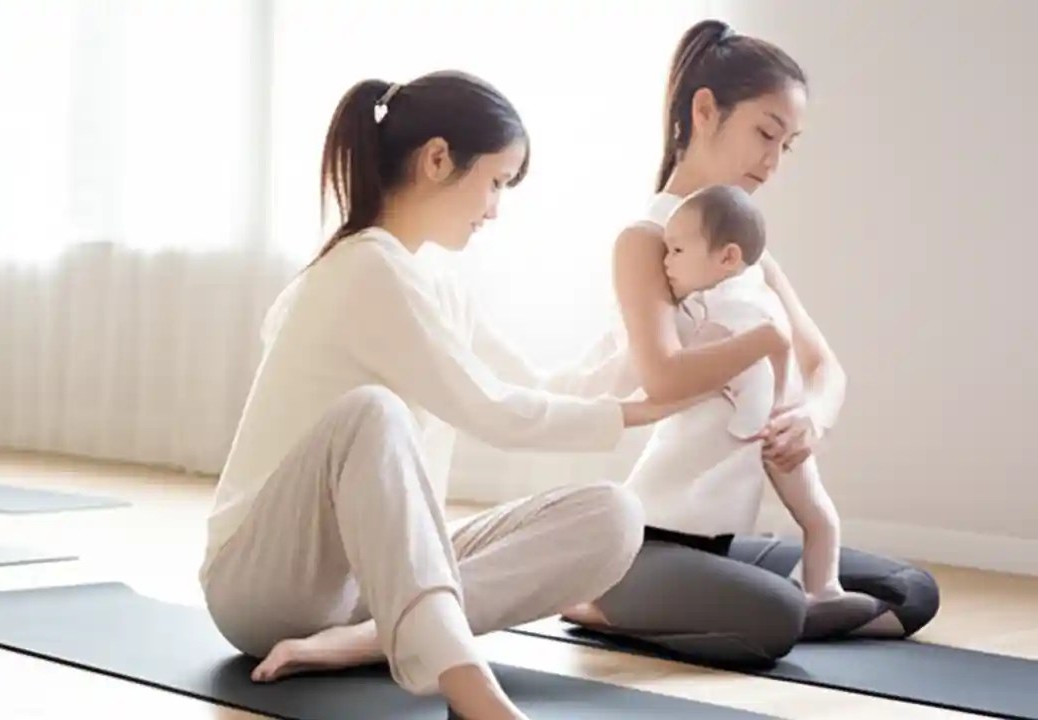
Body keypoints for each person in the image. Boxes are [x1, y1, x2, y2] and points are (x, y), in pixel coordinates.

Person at [200, 71, 688, 720]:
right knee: (374, 413)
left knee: (613, 516)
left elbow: (532, 387)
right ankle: (465, 682)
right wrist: (632, 414)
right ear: (437, 159)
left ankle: (370, 639)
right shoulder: (365, 267)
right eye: (496, 182)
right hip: (264, 587)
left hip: (371, 585)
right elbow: (492, 412)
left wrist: (650, 346)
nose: (496, 209)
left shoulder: (436, 281)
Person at [562, 19, 941, 665]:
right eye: (766, 133)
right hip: (653, 539)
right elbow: (662, 375)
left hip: (722, 537)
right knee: (778, 615)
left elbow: (825, 368)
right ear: (704, 111)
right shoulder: (647, 241)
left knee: (911, 591)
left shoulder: (746, 256)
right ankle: (601, 601)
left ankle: (724, 606)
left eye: (787, 145)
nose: (772, 162)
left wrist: (811, 418)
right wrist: (764, 343)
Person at [633, 183, 885, 638]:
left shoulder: (734, 304)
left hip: (773, 430)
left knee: (816, 514)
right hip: (769, 425)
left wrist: (793, 411)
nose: (666, 261)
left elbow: (707, 364)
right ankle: (820, 587)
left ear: (727, 257)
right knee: (817, 514)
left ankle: (821, 589)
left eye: (677, 250)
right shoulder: (740, 292)